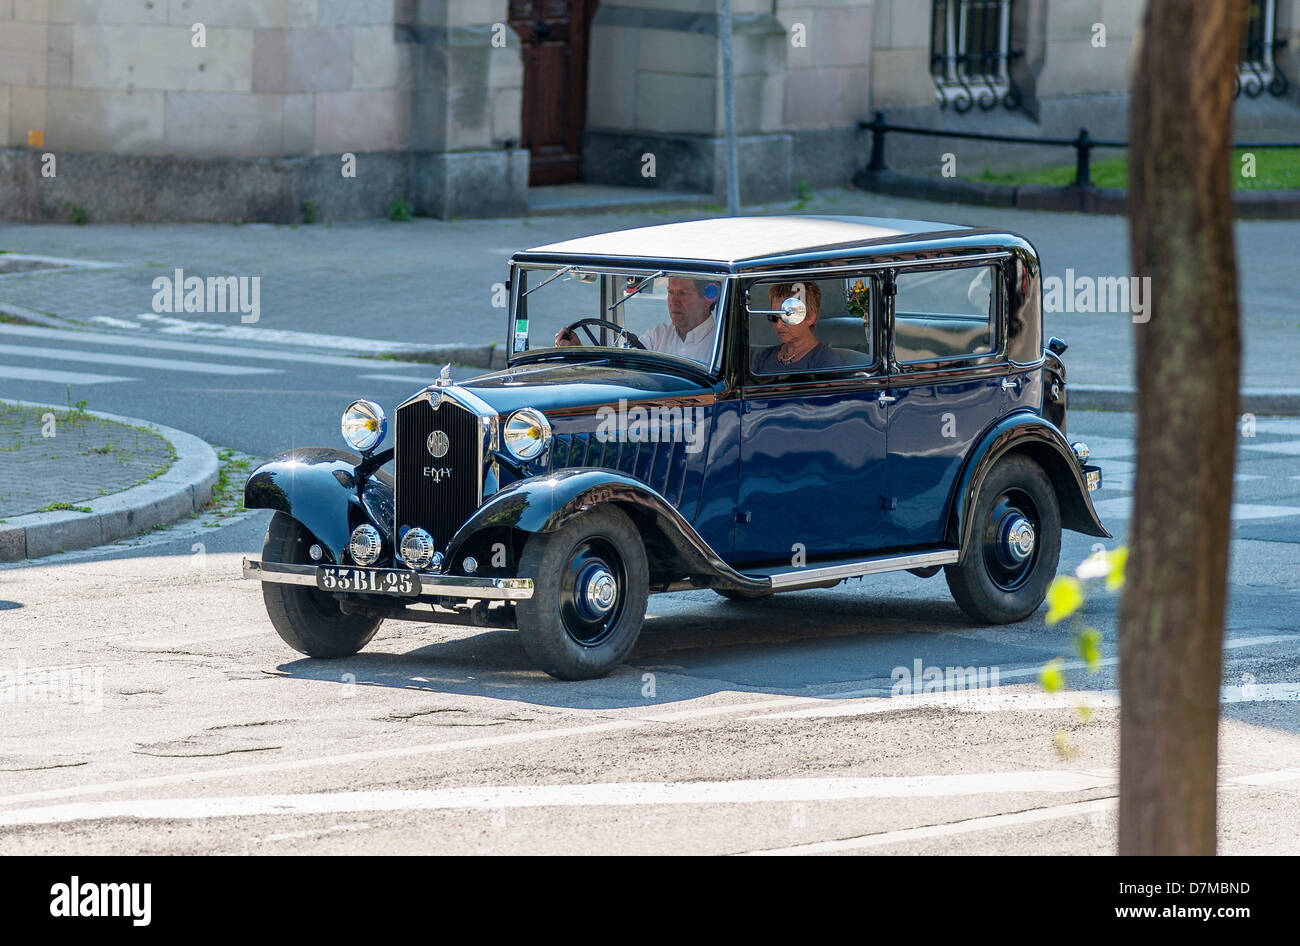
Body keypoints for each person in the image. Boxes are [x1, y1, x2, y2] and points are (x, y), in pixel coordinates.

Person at [554, 276, 719, 365]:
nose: (673, 302)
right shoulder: (659, 336)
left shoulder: (719, 344)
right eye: (670, 292)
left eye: (683, 294)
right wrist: (580, 351)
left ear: (708, 298)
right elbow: (623, 369)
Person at [751, 281, 841, 374]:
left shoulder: (825, 361)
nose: (778, 325)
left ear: (810, 318)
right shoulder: (763, 357)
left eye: (788, 316)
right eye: (774, 317)